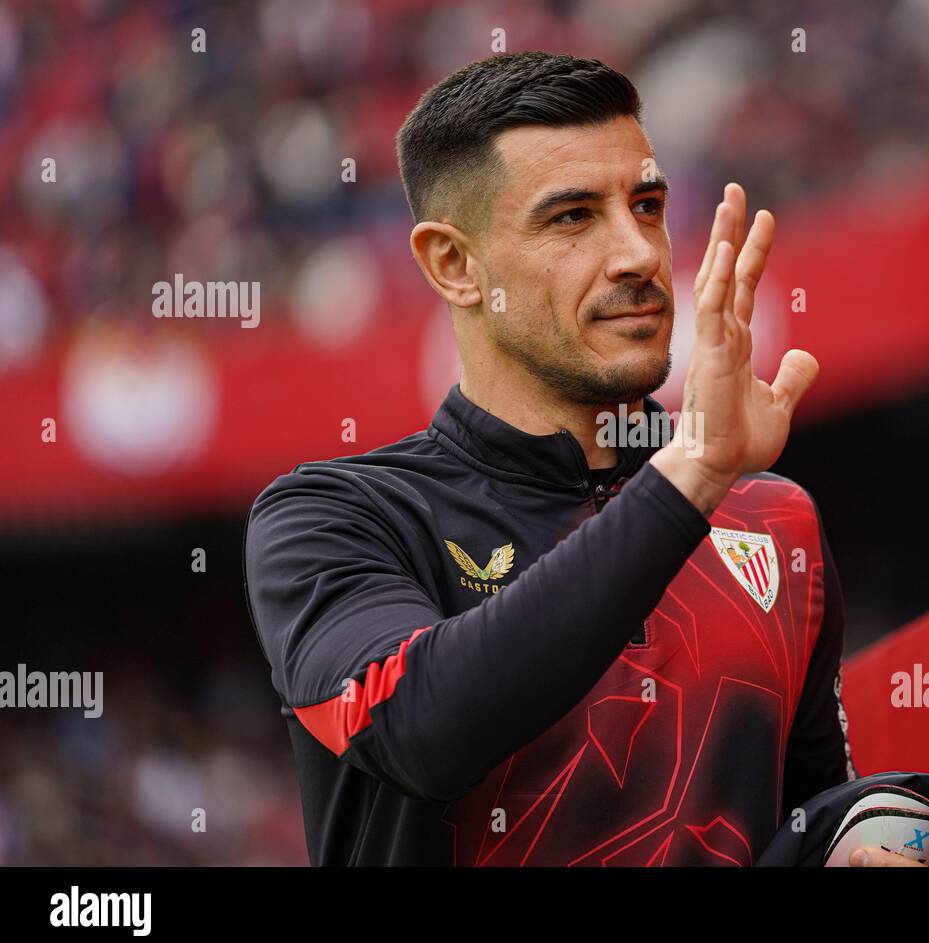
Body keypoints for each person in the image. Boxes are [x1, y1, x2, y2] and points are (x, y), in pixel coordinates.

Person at [243, 50, 872, 866]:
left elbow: (808, 817)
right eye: (573, 217)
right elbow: (423, 732)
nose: (640, 254)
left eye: (646, 206)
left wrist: (880, 821)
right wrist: (691, 474)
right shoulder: (332, 517)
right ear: (454, 264)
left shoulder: (775, 518)